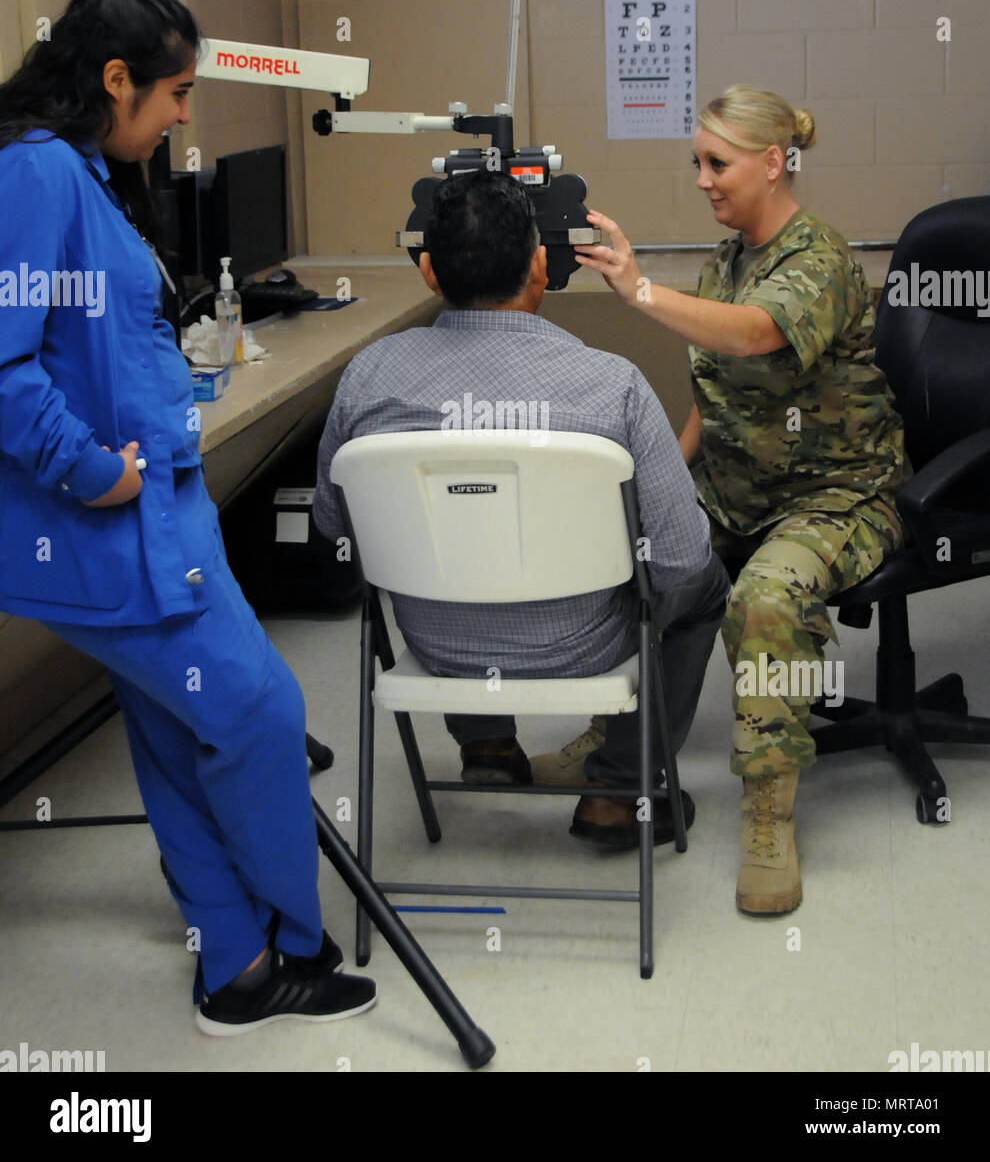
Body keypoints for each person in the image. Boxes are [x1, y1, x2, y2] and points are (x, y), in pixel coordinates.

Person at [0, 0, 376, 1034]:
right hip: (109, 525)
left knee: (175, 733)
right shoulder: (34, 175)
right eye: (174, 95)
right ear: (116, 79)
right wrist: (92, 468)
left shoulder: (78, 171)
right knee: (260, 711)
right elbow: (5, 365)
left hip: (155, 509)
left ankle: (235, 968)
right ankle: (292, 945)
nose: (179, 118)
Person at [312, 169, 729, 849]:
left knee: (465, 556)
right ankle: (620, 791)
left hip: (438, 644)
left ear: (428, 273)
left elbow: (333, 525)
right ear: (541, 267)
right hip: (583, 645)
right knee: (704, 588)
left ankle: (487, 751)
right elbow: (681, 558)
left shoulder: (369, 379)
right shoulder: (612, 387)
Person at [571, 84, 910, 912]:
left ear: (771, 162)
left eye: (716, 163)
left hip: (836, 496)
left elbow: (758, 333)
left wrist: (641, 293)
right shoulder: (725, 263)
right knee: (654, 559)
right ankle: (625, 761)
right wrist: (660, 485)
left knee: (762, 597)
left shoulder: (821, 260)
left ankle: (769, 815)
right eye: (696, 162)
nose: (702, 180)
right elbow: (714, 397)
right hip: (738, 489)